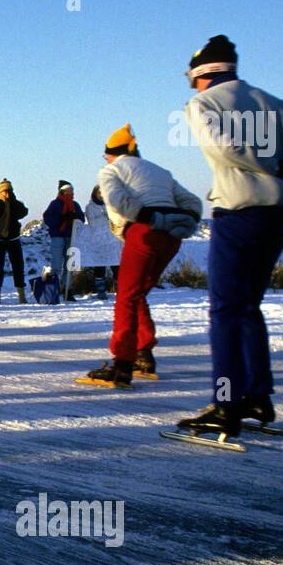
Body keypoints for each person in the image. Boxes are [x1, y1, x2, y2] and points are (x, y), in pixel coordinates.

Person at [174, 34, 283, 430]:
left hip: (239, 208)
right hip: (281, 210)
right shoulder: (279, 104)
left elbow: (223, 149)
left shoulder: (202, 103)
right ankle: (256, 396)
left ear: (201, 75)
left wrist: (268, 165)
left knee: (224, 309)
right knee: (248, 305)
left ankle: (226, 403)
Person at [77, 125, 202, 387]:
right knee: (138, 294)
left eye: (106, 155)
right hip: (171, 238)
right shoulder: (160, 172)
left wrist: (148, 217)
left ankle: (122, 365)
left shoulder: (111, 171)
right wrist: (178, 220)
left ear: (112, 154)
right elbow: (193, 203)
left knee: (126, 295)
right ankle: (144, 352)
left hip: (143, 233)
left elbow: (116, 200)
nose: (106, 160)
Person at [0, 179, 29, 304]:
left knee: (18, 267)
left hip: (14, 239)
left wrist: (13, 201)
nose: (7, 194)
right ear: (0, 191)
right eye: (5, 191)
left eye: (9, 191)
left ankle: (21, 295)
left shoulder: (15, 204)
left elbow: (24, 212)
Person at [71, 185, 122, 299]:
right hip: (98, 240)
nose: (101, 195)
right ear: (95, 194)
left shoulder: (110, 205)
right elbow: (93, 222)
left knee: (116, 265)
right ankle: (101, 290)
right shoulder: (90, 207)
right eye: (99, 193)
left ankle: (119, 289)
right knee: (100, 266)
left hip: (111, 239)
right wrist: (106, 219)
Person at [43, 181, 85, 301]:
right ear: (62, 191)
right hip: (57, 236)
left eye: (71, 191)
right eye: (67, 190)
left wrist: (75, 218)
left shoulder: (75, 205)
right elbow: (47, 218)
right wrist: (61, 220)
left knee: (69, 265)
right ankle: (53, 290)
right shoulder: (55, 204)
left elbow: (81, 219)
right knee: (56, 265)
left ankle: (68, 290)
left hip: (71, 237)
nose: (70, 193)